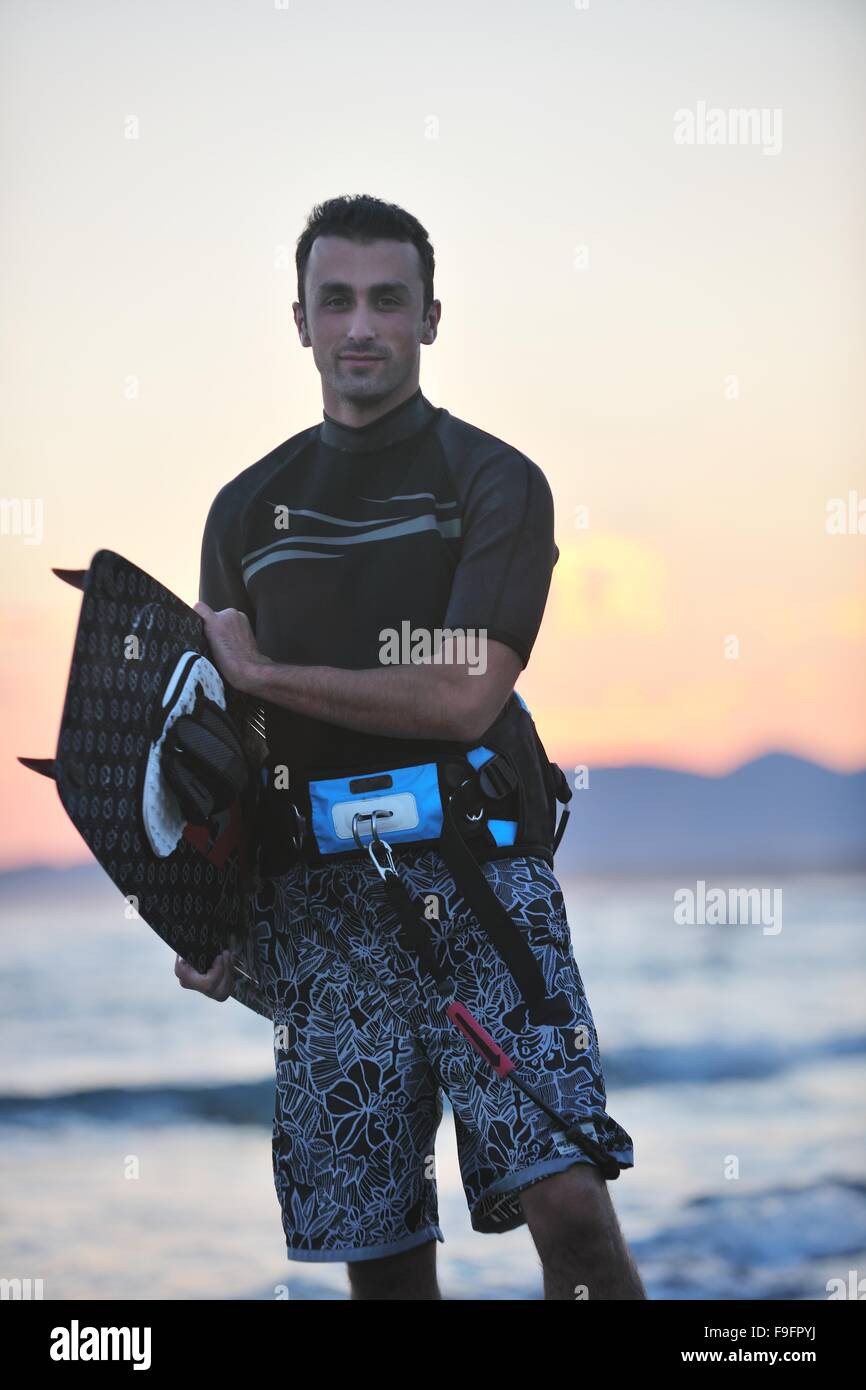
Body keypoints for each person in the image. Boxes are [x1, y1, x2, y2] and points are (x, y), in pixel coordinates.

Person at [175, 193, 646, 1300]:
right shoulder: (246, 512)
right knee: (383, 1268)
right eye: (333, 300)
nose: (360, 327)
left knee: (570, 1206)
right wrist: (202, 910)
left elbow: (464, 695)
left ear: (431, 317)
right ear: (296, 320)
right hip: (317, 913)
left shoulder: (490, 482)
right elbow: (217, 750)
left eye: (387, 300)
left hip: (482, 886)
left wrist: (268, 672)